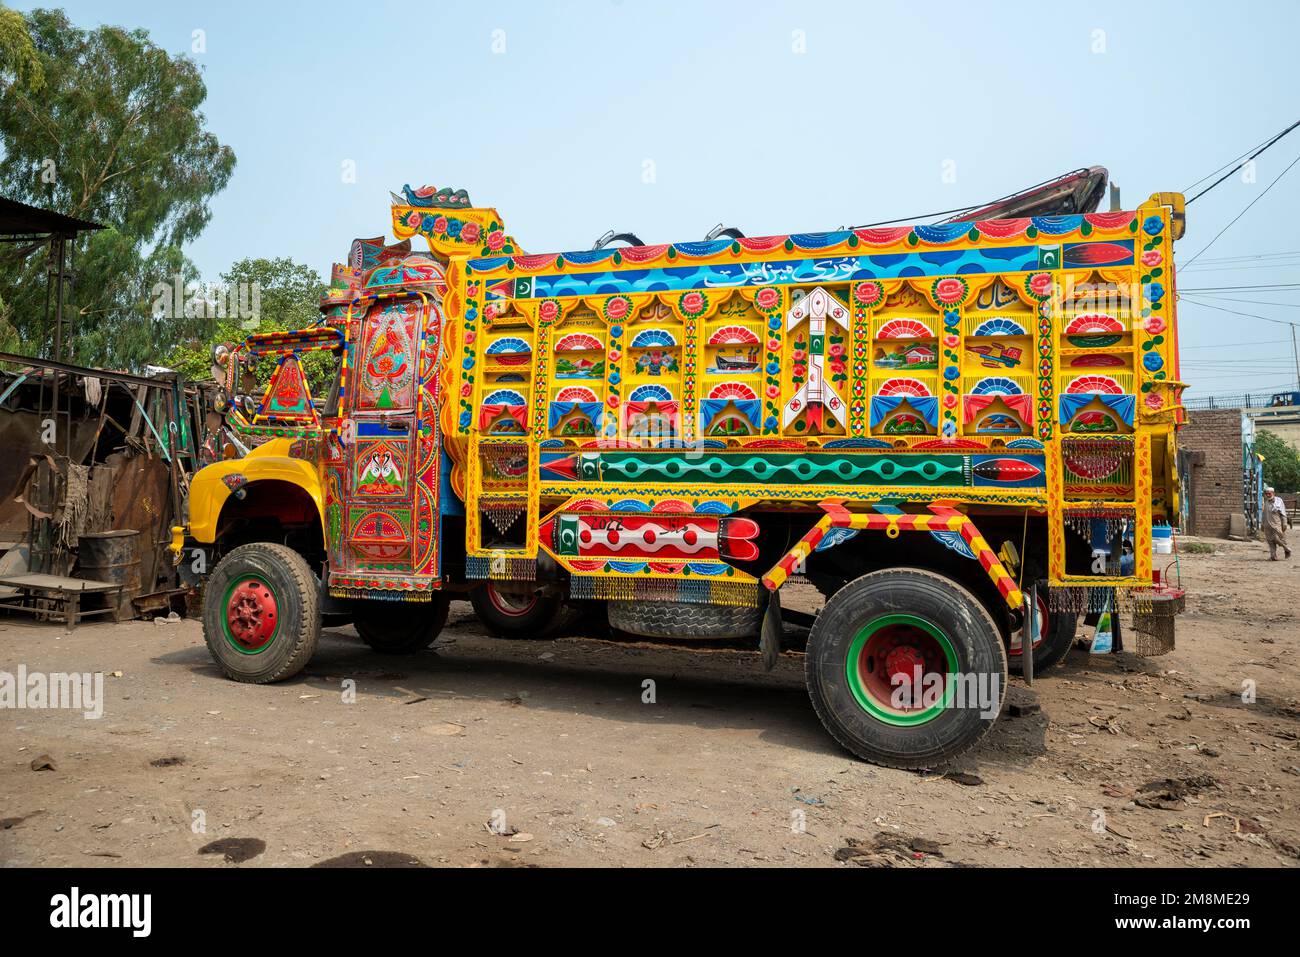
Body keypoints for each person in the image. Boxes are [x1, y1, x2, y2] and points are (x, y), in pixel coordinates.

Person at [1262, 487, 1291, 560]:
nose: (1268, 495)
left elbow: (1283, 513)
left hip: (1276, 525)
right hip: (1267, 525)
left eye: (1269, 493)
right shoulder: (1266, 502)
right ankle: (1273, 556)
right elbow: (1264, 514)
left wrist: (1284, 523)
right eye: (1267, 494)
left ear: (1273, 493)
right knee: (1270, 541)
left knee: (1277, 539)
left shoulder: (1278, 501)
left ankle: (1287, 549)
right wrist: (1262, 524)